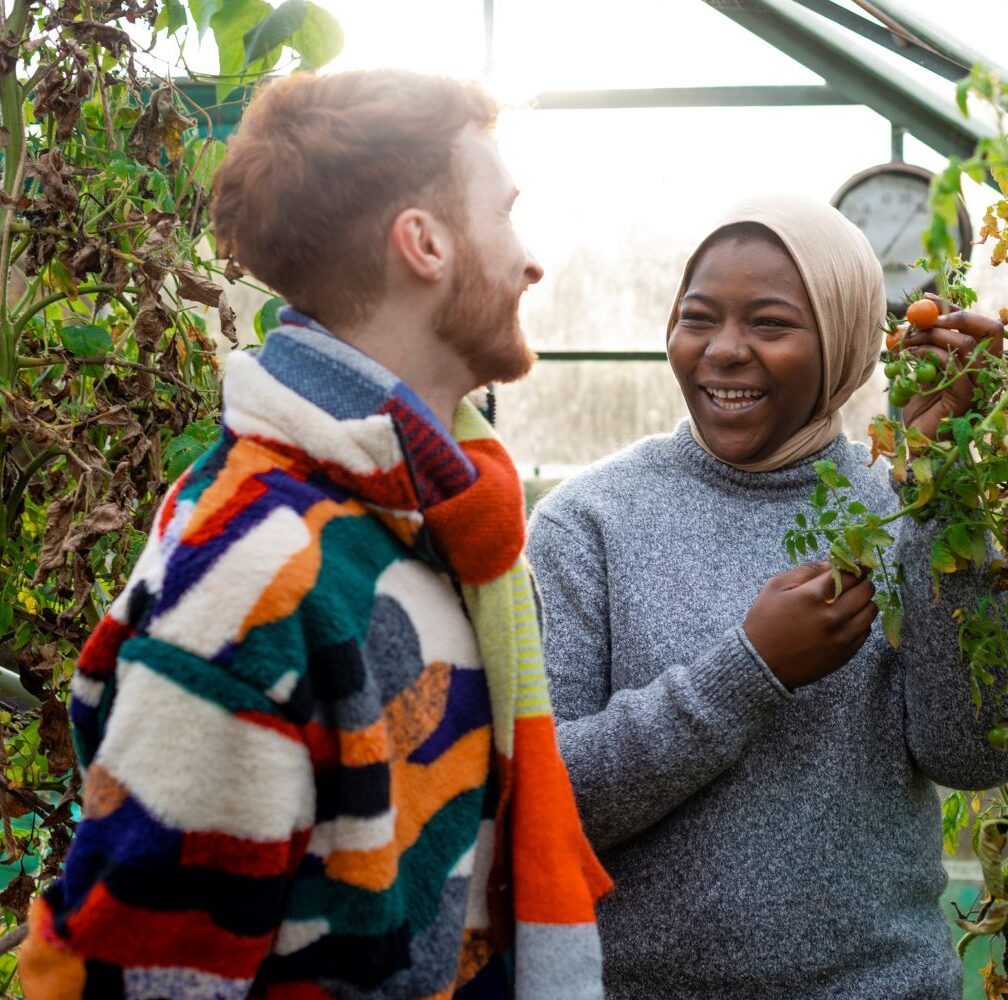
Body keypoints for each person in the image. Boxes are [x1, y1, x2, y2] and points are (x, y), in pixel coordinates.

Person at [20, 69, 610, 1000]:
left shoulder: (435, 517)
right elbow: (139, 976)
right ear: (424, 243)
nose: (530, 262)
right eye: (505, 214)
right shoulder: (255, 568)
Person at [526, 195, 1008, 999]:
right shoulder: (588, 523)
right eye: (698, 318)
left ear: (841, 340)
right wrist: (750, 669)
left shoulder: (898, 507)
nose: (724, 350)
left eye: (769, 324)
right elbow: (546, 801)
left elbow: (979, 756)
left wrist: (945, 495)